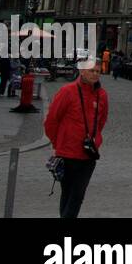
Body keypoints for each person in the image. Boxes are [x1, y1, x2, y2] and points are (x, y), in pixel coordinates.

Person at [44, 55, 110, 218]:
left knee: (77, 195)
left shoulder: (102, 95)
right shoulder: (67, 91)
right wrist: (57, 143)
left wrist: (96, 139)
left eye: (97, 71)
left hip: (88, 154)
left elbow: (101, 121)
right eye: (91, 71)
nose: (95, 74)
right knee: (68, 194)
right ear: (81, 71)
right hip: (67, 153)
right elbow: (52, 121)